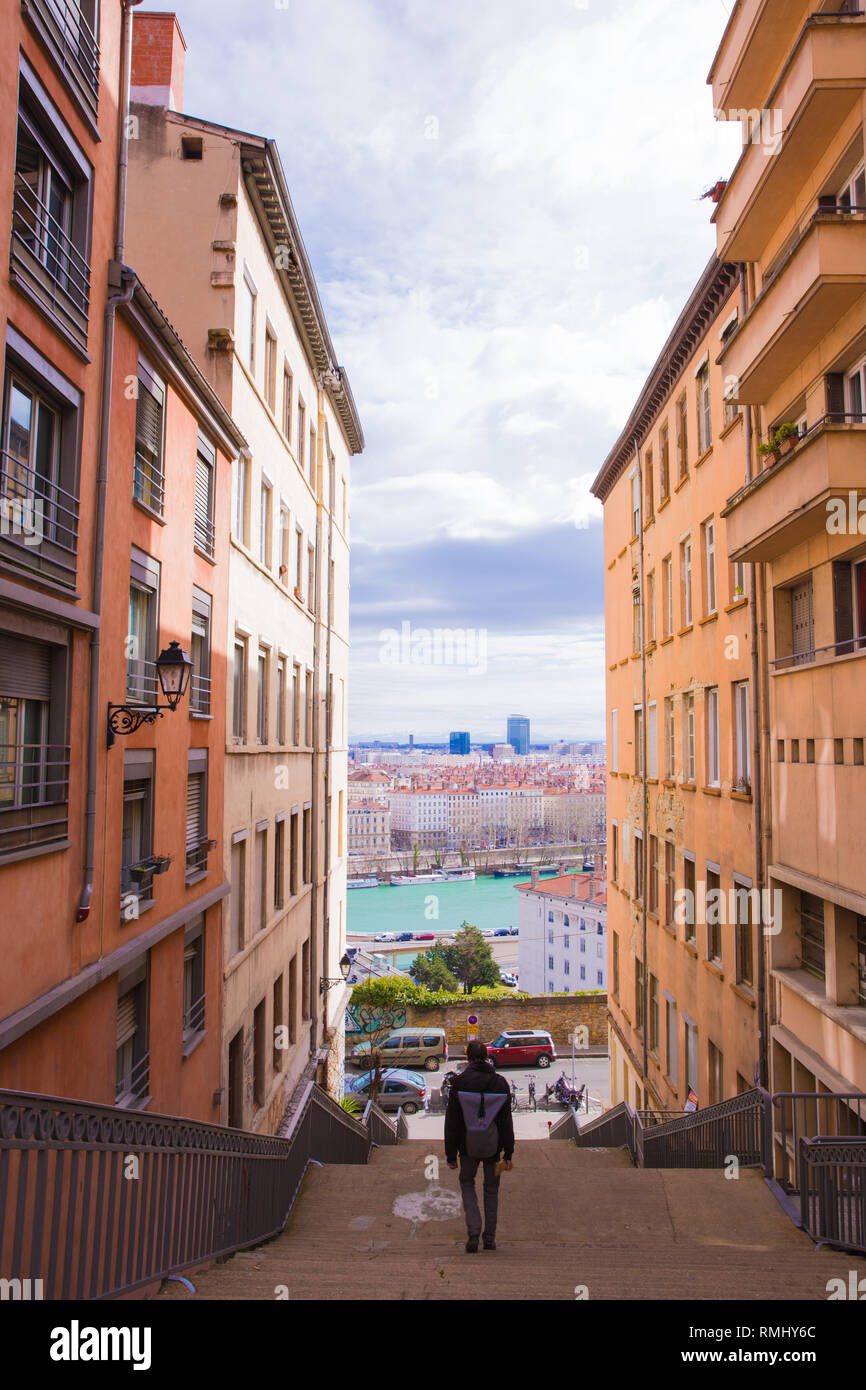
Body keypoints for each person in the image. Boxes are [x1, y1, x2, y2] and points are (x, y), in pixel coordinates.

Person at [444, 1039, 514, 1252]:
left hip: (467, 1147)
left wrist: (450, 1154)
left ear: (468, 1058)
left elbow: (452, 1122)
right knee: (491, 1190)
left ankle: (474, 1232)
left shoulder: (459, 1083)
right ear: (486, 1056)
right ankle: (490, 1238)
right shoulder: (500, 1083)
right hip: (493, 1148)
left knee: (467, 1182)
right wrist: (508, 1152)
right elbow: (506, 1122)